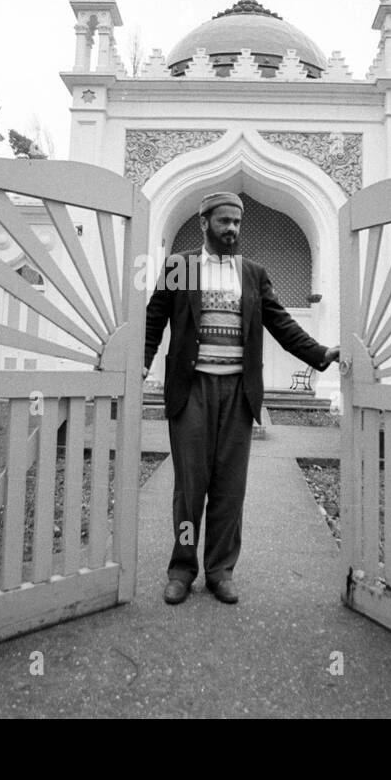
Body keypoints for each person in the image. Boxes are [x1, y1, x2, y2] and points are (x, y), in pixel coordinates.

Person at [143, 191, 339, 605]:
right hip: (192, 388)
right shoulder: (182, 267)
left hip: (238, 392)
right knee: (190, 487)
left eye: (237, 222)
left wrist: (320, 354)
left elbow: (281, 323)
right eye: (223, 222)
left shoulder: (252, 273)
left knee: (230, 487)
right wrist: (140, 365)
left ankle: (220, 571)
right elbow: (154, 320)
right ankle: (182, 568)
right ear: (204, 223)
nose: (231, 229)